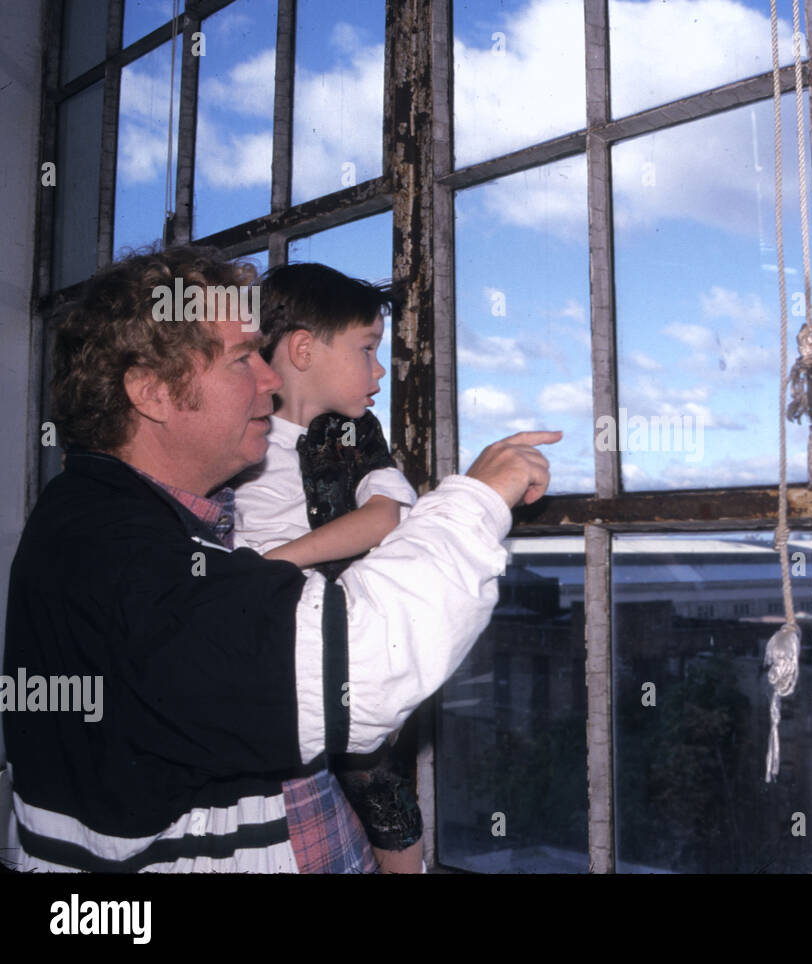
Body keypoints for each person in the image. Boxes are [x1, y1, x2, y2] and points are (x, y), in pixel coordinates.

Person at [1, 246, 560, 872]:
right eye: (242, 357)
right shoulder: (114, 553)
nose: (268, 377)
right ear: (153, 391)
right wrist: (479, 496)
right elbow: (366, 663)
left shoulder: (137, 521)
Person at [230, 262, 423, 873]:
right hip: (260, 663)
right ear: (305, 349)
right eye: (366, 349)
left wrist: (269, 565)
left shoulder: (354, 435)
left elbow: (386, 517)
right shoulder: (234, 437)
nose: (378, 371)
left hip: (347, 646)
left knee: (383, 790)